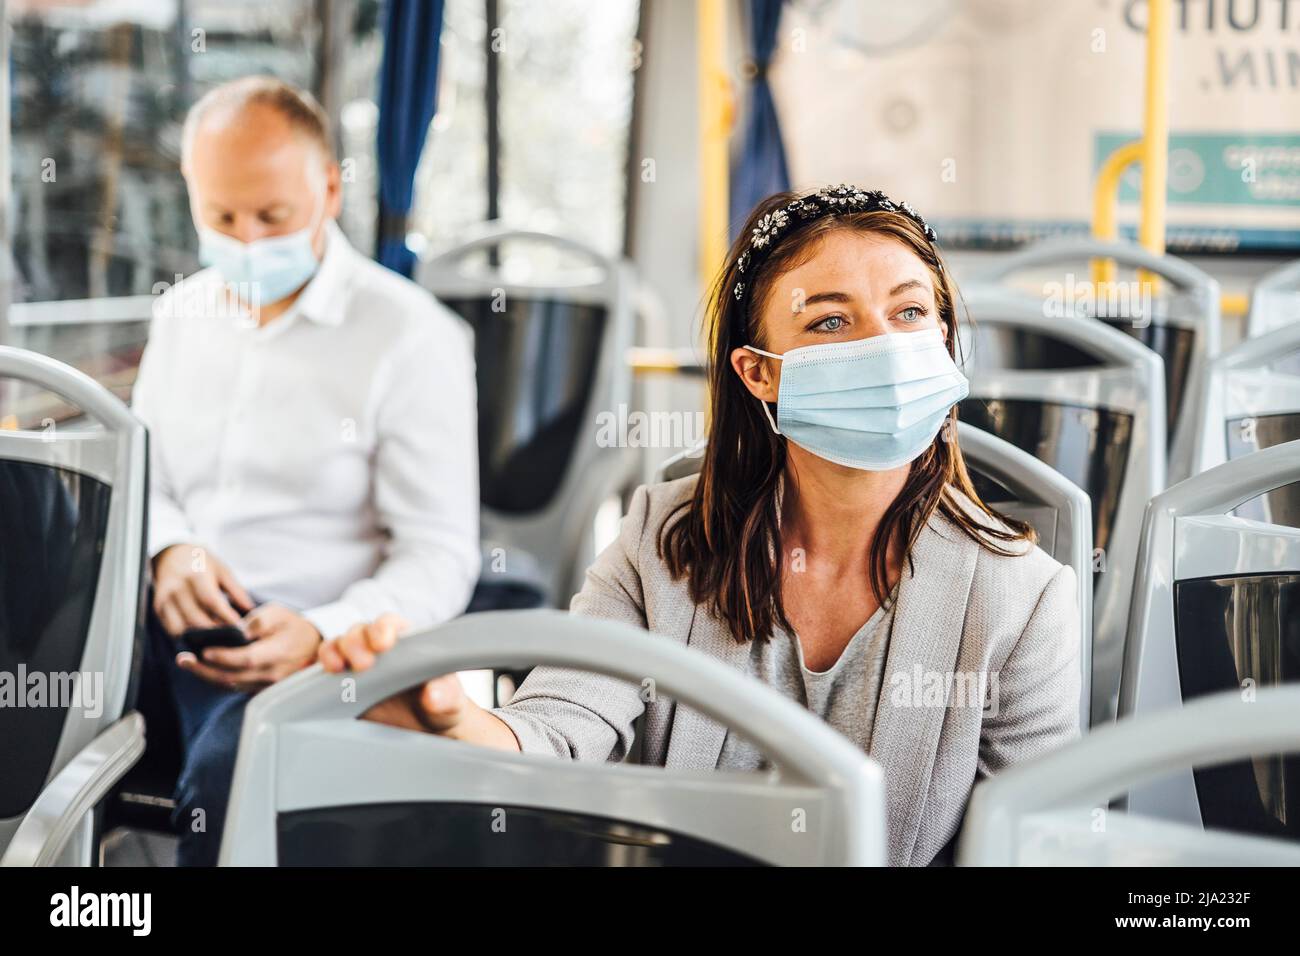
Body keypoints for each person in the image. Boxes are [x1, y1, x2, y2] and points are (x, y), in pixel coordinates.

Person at [319, 185, 1081, 866]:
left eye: (910, 312)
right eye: (830, 320)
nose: (883, 343)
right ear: (759, 373)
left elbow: (1033, 845)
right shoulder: (661, 542)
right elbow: (560, 727)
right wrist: (454, 724)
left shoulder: (1023, 600)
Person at [130, 76, 479, 866]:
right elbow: (146, 478)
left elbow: (439, 553)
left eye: (272, 216)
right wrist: (169, 548)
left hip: (310, 648)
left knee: (235, 780)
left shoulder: (410, 337)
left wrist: (322, 631)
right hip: (161, 623)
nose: (248, 243)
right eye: (222, 218)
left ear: (328, 189)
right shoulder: (181, 314)